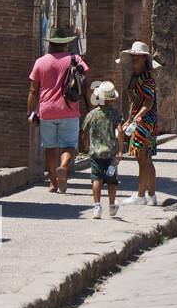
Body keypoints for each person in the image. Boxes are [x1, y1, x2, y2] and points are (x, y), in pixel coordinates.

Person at [27, 30, 89, 194]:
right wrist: (89, 105)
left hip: (46, 110)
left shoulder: (40, 62)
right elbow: (85, 82)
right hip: (68, 109)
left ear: (50, 44)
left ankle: (53, 183)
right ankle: (63, 167)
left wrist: (30, 112)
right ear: (66, 43)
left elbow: (33, 90)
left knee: (49, 147)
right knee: (68, 145)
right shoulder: (75, 59)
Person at [119, 41, 160, 206]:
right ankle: (152, 195)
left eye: (138, 56)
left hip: (144, 122)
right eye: (133, 56)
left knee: (142, 159)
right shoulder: (135, 78)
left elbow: (149, 102)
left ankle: (141, 196)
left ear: (145, 59)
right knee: (146, 159)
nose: (135, 58)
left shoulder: (147, 80)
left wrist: (139, 116)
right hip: (140, 120)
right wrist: (129, 118)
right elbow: (133, 103)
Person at [81, 80, 123, 218]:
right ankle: (111, 206)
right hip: (111, 153)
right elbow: (120, 131)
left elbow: (84, 133)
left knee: (96, 178)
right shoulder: (116, 114)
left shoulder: (91, 114)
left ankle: (97, 206)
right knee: (112, 180)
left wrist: (87, 146)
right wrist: (120, 150)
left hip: (95, 152)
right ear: (112, 99)